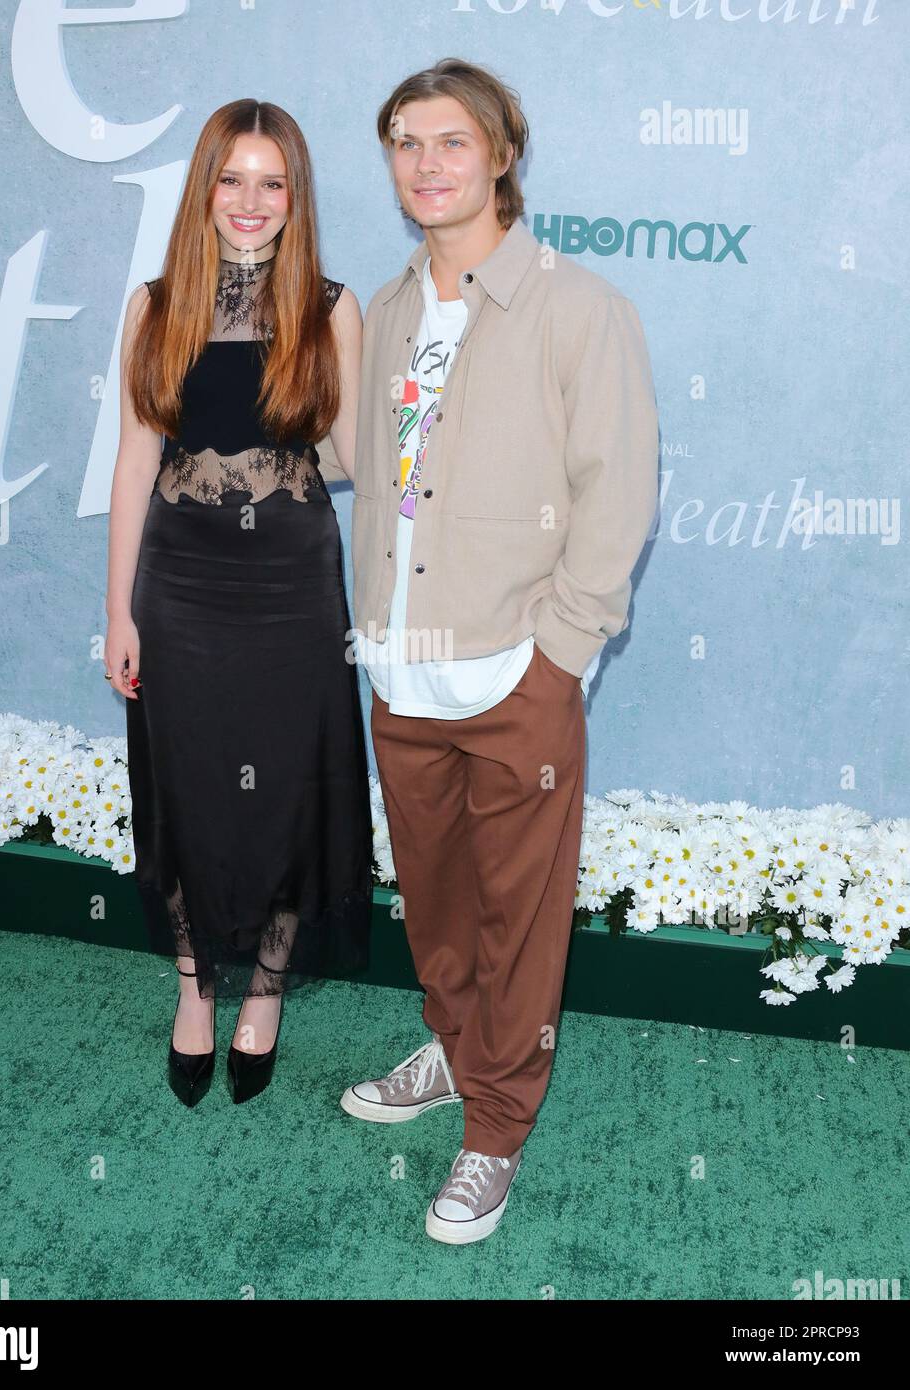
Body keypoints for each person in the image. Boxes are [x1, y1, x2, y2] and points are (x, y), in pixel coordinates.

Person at [340, 59, 659, 1243]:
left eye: (450, 142)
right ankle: (453, 1042)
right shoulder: (380, 313)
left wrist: (558, 657)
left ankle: (495, 1129)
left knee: (520, 916)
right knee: (435, 897)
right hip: (401, 665)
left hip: (515, 675)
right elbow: (347, 458)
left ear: (502, 155)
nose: (427, 164)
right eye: (405, 144)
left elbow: (615, 495)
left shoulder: (581, 309)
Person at [104, 100, 373, 1109]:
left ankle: (265, 993)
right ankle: (195, 990)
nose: (250, 201)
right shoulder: (154, 304)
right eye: (232, 179)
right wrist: (119, 609)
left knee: (288, 793)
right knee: (185, 785)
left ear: (295, 197)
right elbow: (134, 465)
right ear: (204, 189)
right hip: (178, 585)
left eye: (273, 182)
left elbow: (346, 459)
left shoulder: (332, 308)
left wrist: (401, 436)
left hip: (290, 586)